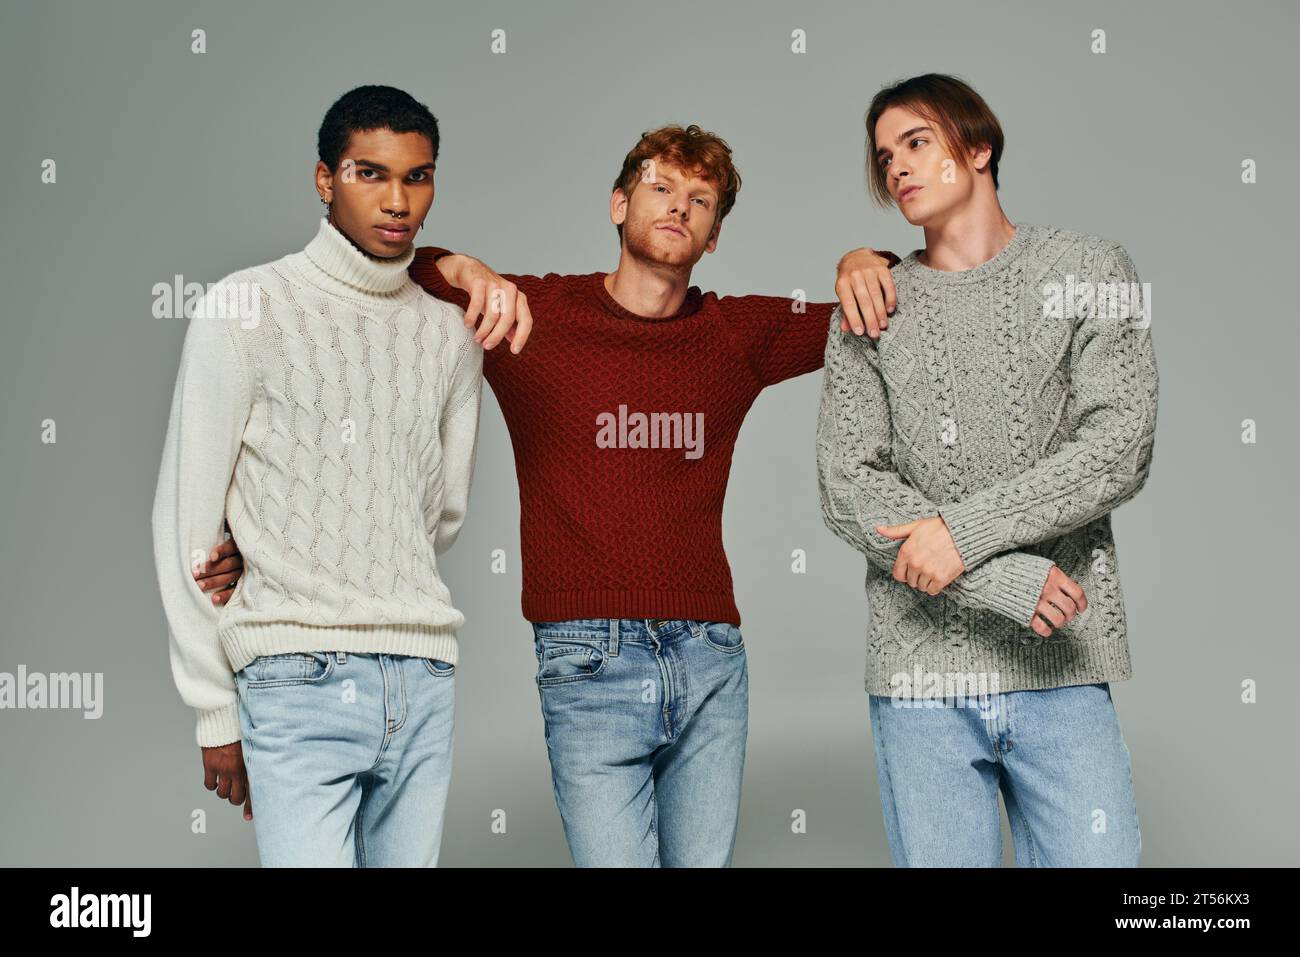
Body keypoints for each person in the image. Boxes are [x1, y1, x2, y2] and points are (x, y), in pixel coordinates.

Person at [150, 85, 512, 866]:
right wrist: (216, 710)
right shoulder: (245, 308)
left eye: (417, 177)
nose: (396, 199)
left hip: (421, 674)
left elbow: (441, 516)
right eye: (369, 173)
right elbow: (184, 519)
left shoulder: (451, 334)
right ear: (325, 180)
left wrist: (288, 534)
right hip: (295, 674)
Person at [816, 73, 1157, 866]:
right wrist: (998, 578)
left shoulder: (1092, 269)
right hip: (919, 679)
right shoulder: (870, 304)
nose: (895, 166)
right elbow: (848, 487)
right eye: (883, 155)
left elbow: (1120, 443)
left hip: (1062, 665)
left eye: (916, 142)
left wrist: (961, 536)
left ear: (979, 148)